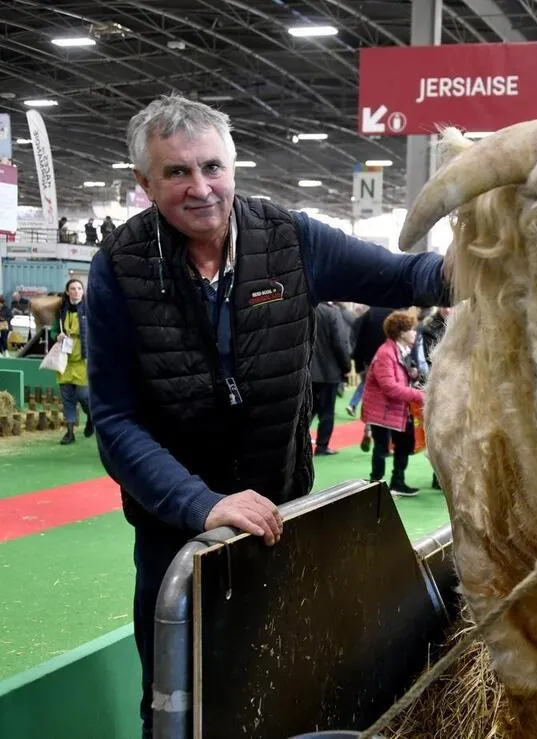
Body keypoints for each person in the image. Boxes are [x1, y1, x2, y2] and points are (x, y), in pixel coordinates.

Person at [84, 94, 449, 739]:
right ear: (144, 182)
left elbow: (404, 276)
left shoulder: (287, 237)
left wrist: (492, 261)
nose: (201, 188)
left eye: (212, 167)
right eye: (176, 173)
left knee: (282, 684)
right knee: (177, 696)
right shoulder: (118, 268)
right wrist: (200, 504)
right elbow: (116, 420)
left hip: (282, 513)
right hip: (177, 532)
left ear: (233, 166)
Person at [360, 310, 425, 496]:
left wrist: (412, 375)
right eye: (412, 330)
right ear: (402, 333)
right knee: (381, 449)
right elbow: (389, 386)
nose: (414, 333)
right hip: (382, 410)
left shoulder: (400, 351)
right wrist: (418, 395)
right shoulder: (385, 353)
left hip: (395, 409)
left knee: (403, 444)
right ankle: (375, 485)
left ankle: (397, 481)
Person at [52, 279, 93, 444]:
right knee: (67, 397)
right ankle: (69, 433)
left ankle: (91, 417)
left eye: (79, 288)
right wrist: (57, 335)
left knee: (83, 395)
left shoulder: (90, 309)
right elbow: (54, 329)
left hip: (83, 359)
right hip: (64, 359)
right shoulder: (60, 311)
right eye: (73, 288)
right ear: (67, 292)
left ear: (83, 292)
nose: (76, 291)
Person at [310, 302, 351, 456]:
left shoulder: (307, 307)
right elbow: (339, 342)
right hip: (329, 372)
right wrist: (346, 367)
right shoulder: (332, 312)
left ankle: (298, 443)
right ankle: (322, 445)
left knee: (308, 410)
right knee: (327, 412)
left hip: (308, 370)